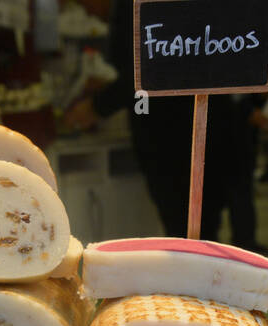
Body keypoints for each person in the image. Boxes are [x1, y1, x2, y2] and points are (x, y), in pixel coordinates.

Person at [63, 0, 237, 239]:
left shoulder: (133, 9)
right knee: (196, 227)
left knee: (188, 227)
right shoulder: (142, 11)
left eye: (86, 4)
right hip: (196, 130)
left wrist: (97, 106)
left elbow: (143, 73)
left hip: (176, 138)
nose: (89, 12)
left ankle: (196, 272)